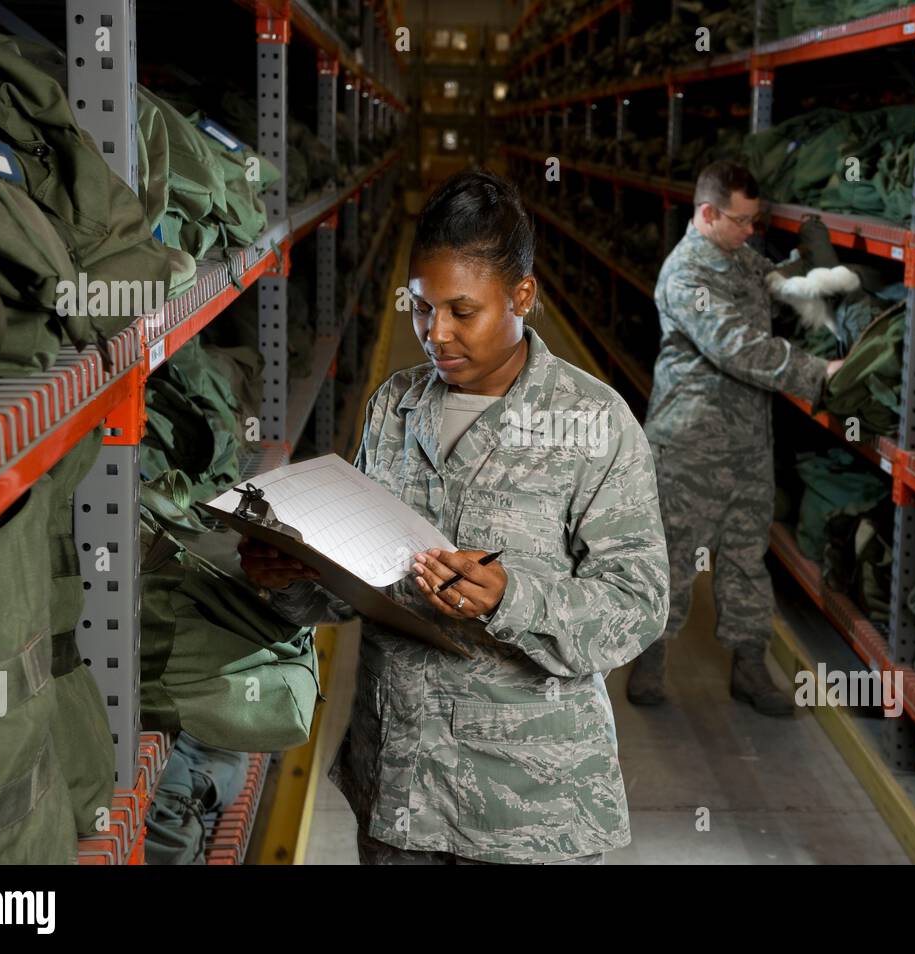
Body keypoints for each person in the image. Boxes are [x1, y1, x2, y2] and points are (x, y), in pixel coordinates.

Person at [238, 170, 669, 864]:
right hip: (399, 787)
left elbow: (639, 606)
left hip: (528, 809)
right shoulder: (395, 405)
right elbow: (361, 575)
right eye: (419, 308)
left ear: (521, 296)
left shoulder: (594, 422)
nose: (434, 334)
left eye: (461, 311)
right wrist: (289, 575)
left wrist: (512, 599)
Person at [628, 159, 844, 716]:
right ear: (707, 214)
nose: (752, 232)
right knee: (674, 557)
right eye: (742, 221)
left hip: (748, 440)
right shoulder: (687, 275)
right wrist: (817, 373)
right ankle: (649, 662)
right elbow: (736, 346)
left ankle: (750, 667)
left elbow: (769, 281)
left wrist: (809, 268)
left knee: (748, 557)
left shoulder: (735, 255)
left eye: (755, 221)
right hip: (691, 443)